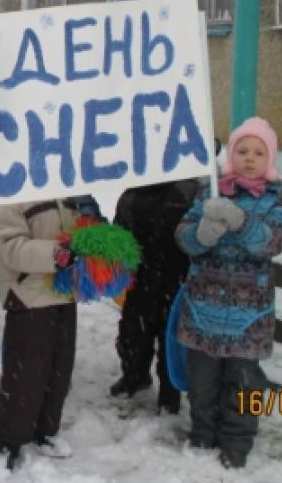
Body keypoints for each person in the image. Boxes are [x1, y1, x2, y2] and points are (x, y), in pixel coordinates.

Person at [175, 117, 282, 469]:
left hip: (248, 317)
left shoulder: (276, 201)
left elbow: (275, 241)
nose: (249, 158)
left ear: (269, 159)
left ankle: (237, 441)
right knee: (203, 382)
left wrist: (242, 222)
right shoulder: (210, 191)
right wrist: (201, 233)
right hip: (203, 310)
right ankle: (202, 433)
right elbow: (183, 237)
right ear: (232, 155)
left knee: (244, 383)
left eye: (259, 152)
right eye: (242, 150)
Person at [0, 195, 99, 471]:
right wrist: (57, 254)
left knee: (59, 370)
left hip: (63, 296)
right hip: (29, 298)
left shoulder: (69, 194)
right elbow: (10, 247)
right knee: (25, 374)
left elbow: (80, 236)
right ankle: (8, 441)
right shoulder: (15, 198)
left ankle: (46, 430)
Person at [110, 175, 206, 414]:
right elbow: (121, 230)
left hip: (178, 279)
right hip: (141, 278)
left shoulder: (190, 190)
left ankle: (169, 394)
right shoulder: (133, 192)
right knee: (133, 334)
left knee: (170, 340)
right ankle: (135, 376)